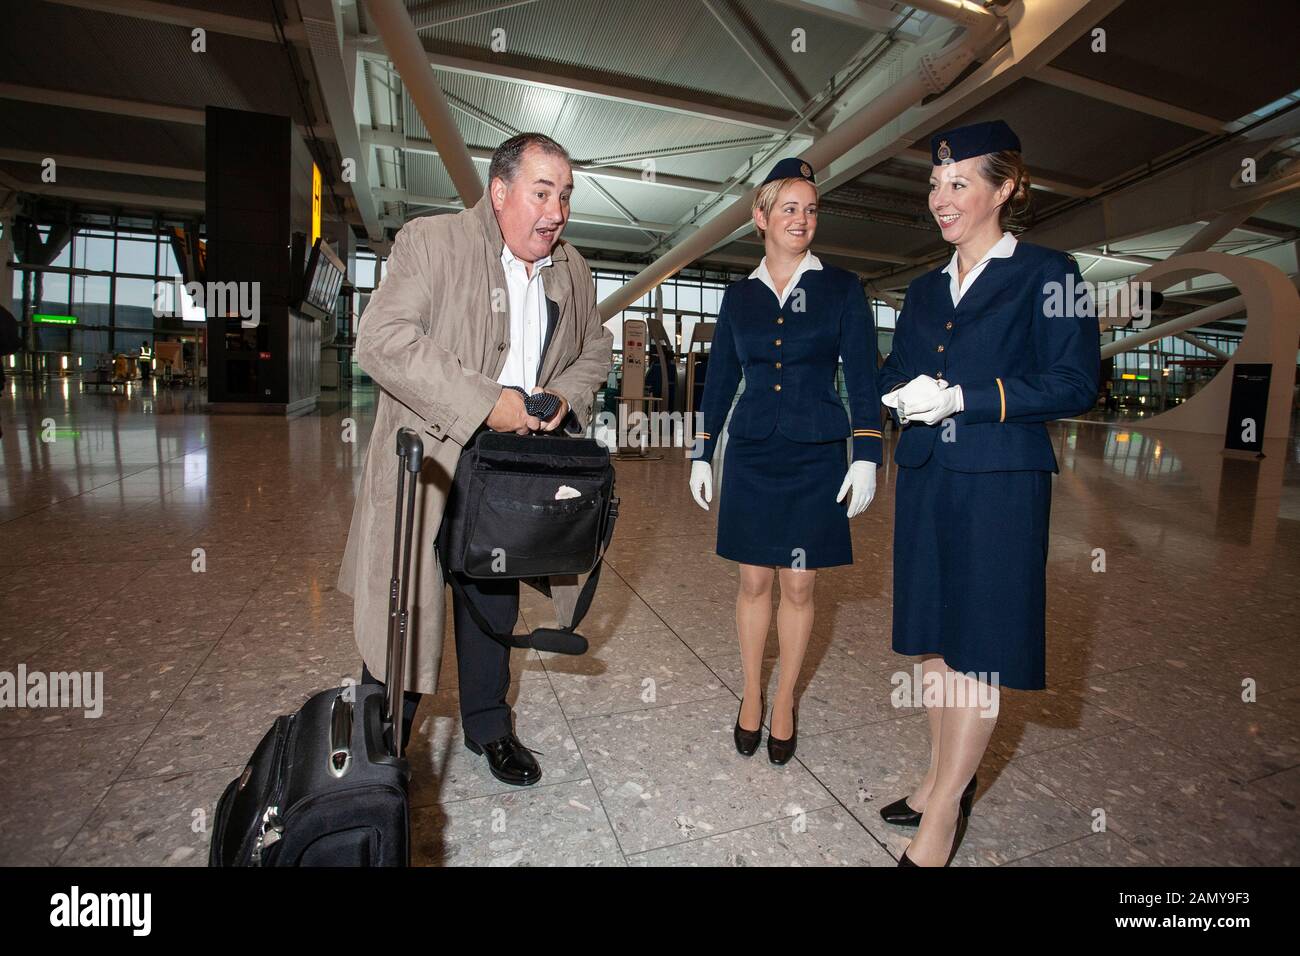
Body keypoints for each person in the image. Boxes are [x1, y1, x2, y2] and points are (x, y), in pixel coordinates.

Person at [338, 132, 613, 786]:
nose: (557, 210)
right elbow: (380, 342)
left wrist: (557, 399)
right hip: (428, 464)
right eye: (542, 192)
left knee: (493, 600)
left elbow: (595, 352)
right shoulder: (433, 244)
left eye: (565, 196)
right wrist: (488, 402)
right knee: (404, 611)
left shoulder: (571, 269)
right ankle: (379, 758)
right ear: (499, 192)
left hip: (511, 469)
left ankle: (490, 726)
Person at [877, 120, 1099, 865]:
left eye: (959, 183)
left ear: (1005, 189)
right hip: (928, 478)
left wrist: (969, 397)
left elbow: (1074, 382)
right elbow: (896, 368)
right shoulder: (921, 286)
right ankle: (939, 779)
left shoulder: (1049, 273)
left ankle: (942, 816)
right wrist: (901, 394)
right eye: (936, 183)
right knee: (934, 645)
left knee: (977, 652)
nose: (941, 197)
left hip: (1001, 485)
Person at [688, 157, 882, 765]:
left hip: (817, 452)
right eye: (790, 208)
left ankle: (787, 699)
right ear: (761, 216)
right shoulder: (738, 296)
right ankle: (750, 693)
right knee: (752, 579)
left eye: (811, 209)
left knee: (799, 583)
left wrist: (868, 452)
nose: (802, 219)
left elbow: (864, 376)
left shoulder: (842, 289)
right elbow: (719, 379)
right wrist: (702, 450)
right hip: (751, 450)